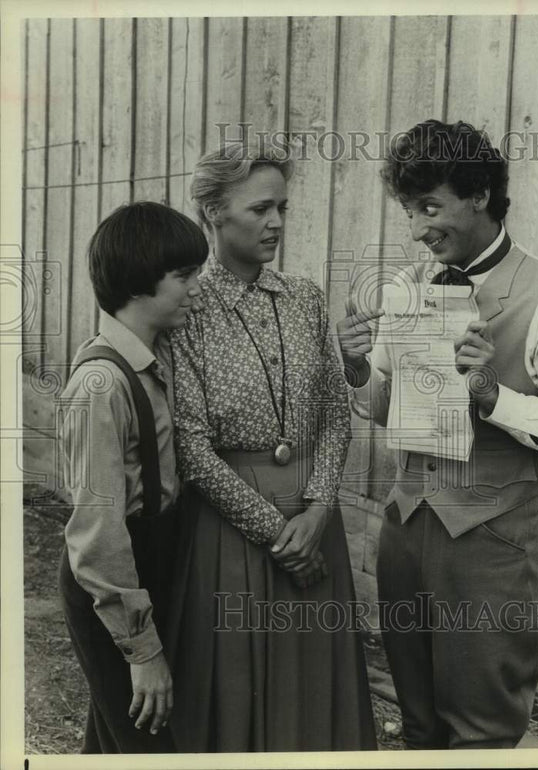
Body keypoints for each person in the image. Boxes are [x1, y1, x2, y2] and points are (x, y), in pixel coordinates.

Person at [337, 119, 538, 749]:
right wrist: (357, 369)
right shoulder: (405, 287)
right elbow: (388, 411)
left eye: (430, 207)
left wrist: (491, 394)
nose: (416, 228)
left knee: (482, 730)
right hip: (405, 528)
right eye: (410, 210)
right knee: (418, 721)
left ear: (479, 195)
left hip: (488, 543)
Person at [168, 141, 377, 752]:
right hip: (233, 530)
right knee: (238, 685)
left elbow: (335, 410)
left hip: (316, 523)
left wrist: (317, 510)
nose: (277, 223)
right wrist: (276, 530)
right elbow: (191, 447)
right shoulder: (187, 307)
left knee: (315, 690)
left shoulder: (306, 298)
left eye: (282, 207)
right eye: (260, 209)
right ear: (212, 212)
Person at [58, 201, 208, 753]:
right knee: (148, 740)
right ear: (140, 283)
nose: (198, 287)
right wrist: (142, 652)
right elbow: (97, 535)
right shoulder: (101, 386)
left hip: (155, 563)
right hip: (113, 585)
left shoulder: (159, 355)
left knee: (112, 739)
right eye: (184, 276)